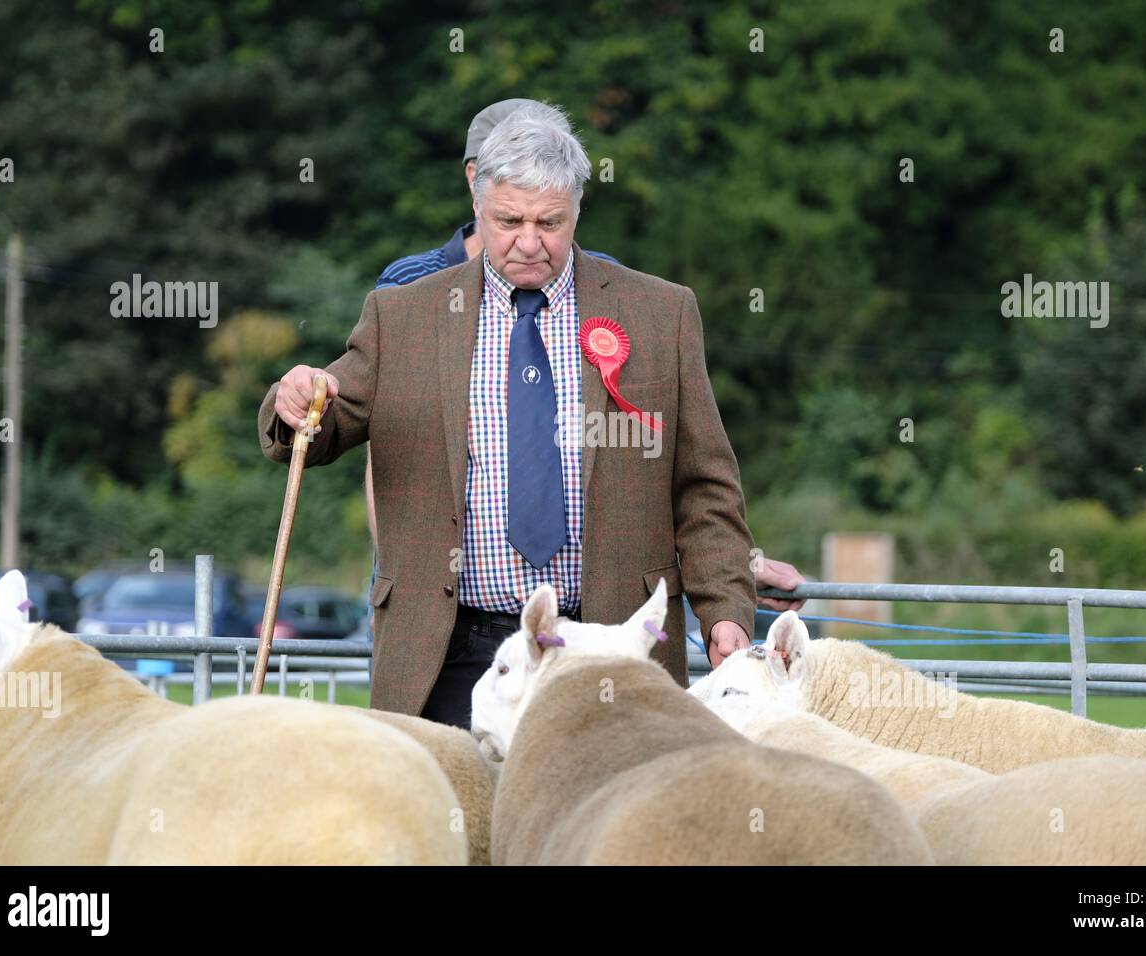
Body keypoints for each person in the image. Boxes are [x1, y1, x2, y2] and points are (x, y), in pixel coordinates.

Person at [259, 101, 801, 727]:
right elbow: (317, 426)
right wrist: (297, 396)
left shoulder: (662, 313)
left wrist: (725, 612)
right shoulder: (400, 315)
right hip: (449, 651)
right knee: (460, 825)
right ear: (477, 204)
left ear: (577, 211)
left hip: (611, 646)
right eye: (508, 220)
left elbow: (706, 487)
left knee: (602, 824)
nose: (528, 243)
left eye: (550, 222)